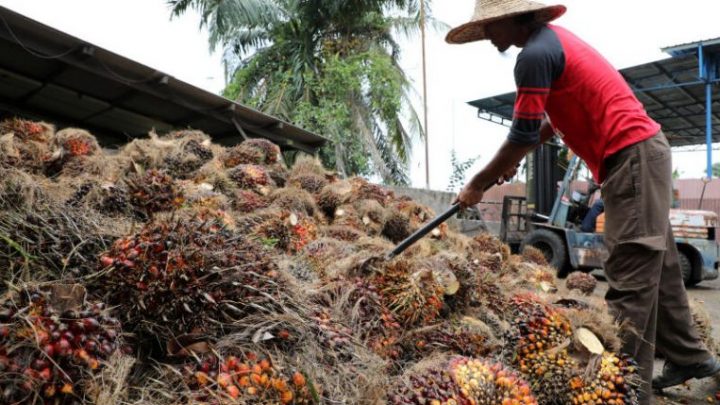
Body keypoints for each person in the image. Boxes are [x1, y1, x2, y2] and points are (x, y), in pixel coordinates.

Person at [445, 0, 720, 403]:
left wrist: (478, 182)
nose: (488, 37)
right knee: (657, 271)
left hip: (632, 156)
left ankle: (623, 390)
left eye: (490, 27)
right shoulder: (552, 44)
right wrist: (512, 162)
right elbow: (546, 125)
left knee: (630, 276)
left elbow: (520, 134)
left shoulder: (534, 55)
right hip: (641, 155)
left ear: (510, 17)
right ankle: (691, 358)